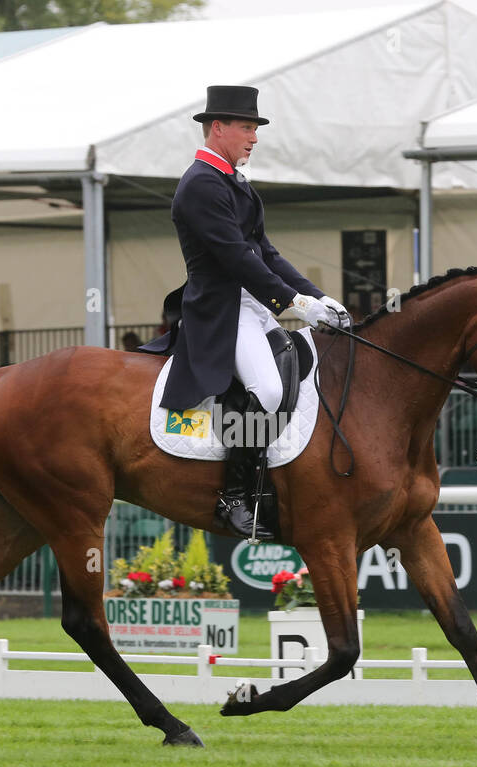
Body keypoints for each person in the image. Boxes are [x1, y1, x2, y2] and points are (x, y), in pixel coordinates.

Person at [138, 85, 351, 540]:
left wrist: (317, 297)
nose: (254, 138)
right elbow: (237, 257)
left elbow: (266, 253)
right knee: (270, 391)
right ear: (218, 128)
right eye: (247, 128)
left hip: (253, 307)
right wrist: (294, 305)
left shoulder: (235, 182)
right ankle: (234, 497)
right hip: (222, 310)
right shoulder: (200, 184)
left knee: (303, 373)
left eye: (255, 128)